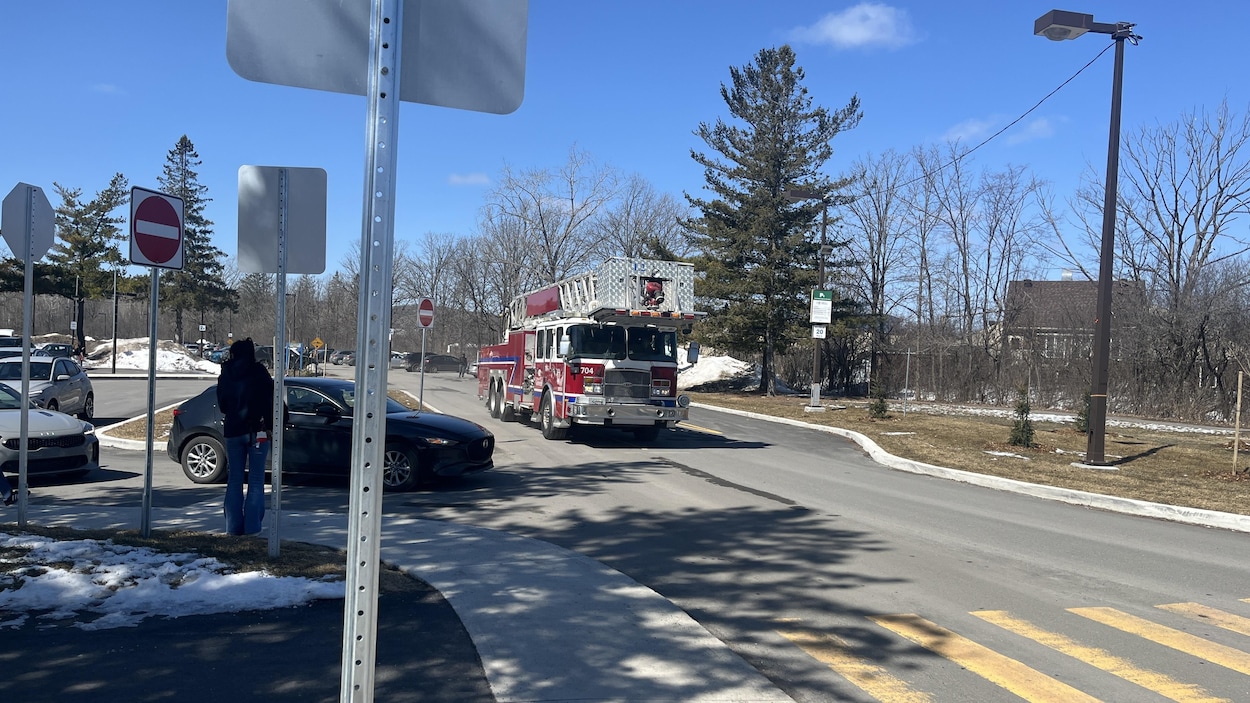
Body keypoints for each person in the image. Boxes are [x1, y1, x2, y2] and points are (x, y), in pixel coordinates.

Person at [216, 338, 274, 535]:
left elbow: (223, 404)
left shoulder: (226, 373)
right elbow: (270, 400)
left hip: (233, 429)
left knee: (234, 480)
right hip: (257, 429)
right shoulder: (259, 372)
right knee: (256, 481)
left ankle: (233, 528)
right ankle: (252, 529)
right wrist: (270, 423)